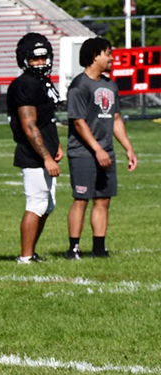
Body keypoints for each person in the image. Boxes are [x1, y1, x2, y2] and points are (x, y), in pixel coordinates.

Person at [64, 36, 138, 259]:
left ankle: (99, 247)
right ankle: (74, 247)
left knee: (103, 199)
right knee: (81, 199)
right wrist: (97, 149)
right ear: (95, 56)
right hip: (84, 153)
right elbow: (78, 121)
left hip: (106, 151)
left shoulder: (110, 85)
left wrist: (128, 148)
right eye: (108, 53)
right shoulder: (79, 86)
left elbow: (115, 119)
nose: (112, 58)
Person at [7, 33, 62, 265]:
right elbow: (29, 125)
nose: (41, 63)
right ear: (25, 60)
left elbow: (46, 119)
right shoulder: (25, 84)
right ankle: (25, 256)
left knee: (47, 205)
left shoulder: (41, 82)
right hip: (34, 155)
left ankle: (31, 252)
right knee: (36, 204)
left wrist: (55, 144)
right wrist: (46, 156)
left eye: (44, 58)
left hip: (45, 152)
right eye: (35, 59)